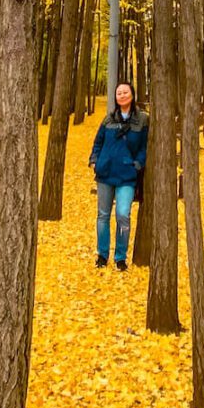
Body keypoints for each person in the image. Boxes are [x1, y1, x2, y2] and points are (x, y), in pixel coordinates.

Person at [89, 81, 148, 270]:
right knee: (103, 215)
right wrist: (94, 160)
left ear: (132, 95)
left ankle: (120, 257)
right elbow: (98, 142)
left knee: (123, 215)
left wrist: (137, 164)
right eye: (119, 93)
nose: (122, 95)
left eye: (125, 92)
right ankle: (102, 255)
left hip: (126, 176)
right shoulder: (108, 119)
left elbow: (145, 147)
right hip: (105, 173)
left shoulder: (142, 120)